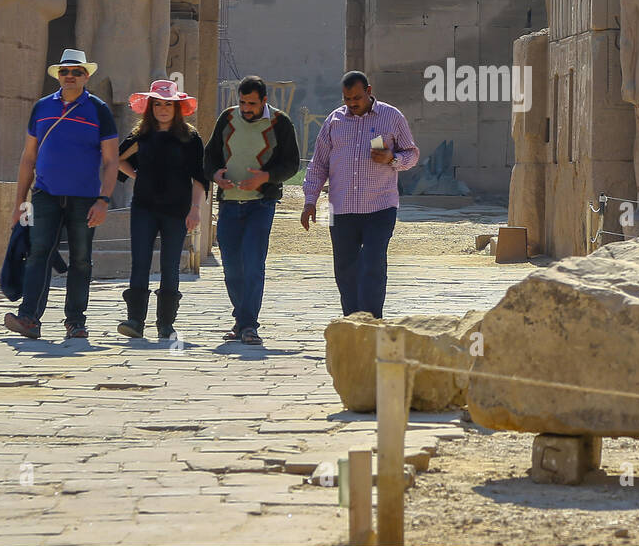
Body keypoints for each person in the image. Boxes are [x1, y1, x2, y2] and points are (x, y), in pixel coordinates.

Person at [4, 48, 119, 341]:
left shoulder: (99, 110)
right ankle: (29, 318)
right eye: (65, 71)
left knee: (81, 259)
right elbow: (28, 157)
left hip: (85, 197)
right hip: (45, 193)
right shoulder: (41, 108)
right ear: (57, 75)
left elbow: (111, 161)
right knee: (38, 254)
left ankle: (76, 322)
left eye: (77, 72)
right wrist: (20, 203)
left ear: (86, 76)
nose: (70, 76)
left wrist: (104, 200)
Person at [301, 71, 419, 318]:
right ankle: (352, 321)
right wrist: (310, 201)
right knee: (345, 269)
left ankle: (371, 320)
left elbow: (412, 154)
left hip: (380, 206)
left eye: (356, 97)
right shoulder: (334, 121)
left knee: (372, 263)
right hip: (340, 208)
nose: (352, 103)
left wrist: (392, 158)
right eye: (346, 99)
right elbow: (319, 163)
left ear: (369, 90)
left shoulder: (392, 117)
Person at [203, 76, 300, 346]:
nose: (246, 108)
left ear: (264, 101)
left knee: (253, 265)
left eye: (252, 104)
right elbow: (209, 156)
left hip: (261, 203)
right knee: (232, 268)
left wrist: (266, 177)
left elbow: (291, 164)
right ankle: (241, 319)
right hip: (229, 202)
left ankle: (248, 325)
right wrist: (215, 174)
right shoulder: (227, 118)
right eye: (243, 102)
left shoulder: (280, 123)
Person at [115, 79, 209, 341]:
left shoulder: (189, 138)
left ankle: (165, 324)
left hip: (177, 210)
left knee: (170, 266)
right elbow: (117, 159)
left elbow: (200, 177)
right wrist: (137, 176)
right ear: (150, 107)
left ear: (177, 107)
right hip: (144, 207)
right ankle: (135, 320)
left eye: (168, 104)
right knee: (140, 263)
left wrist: (195, 209)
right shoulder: (141, 136)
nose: (163, 109)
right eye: (158, 104)